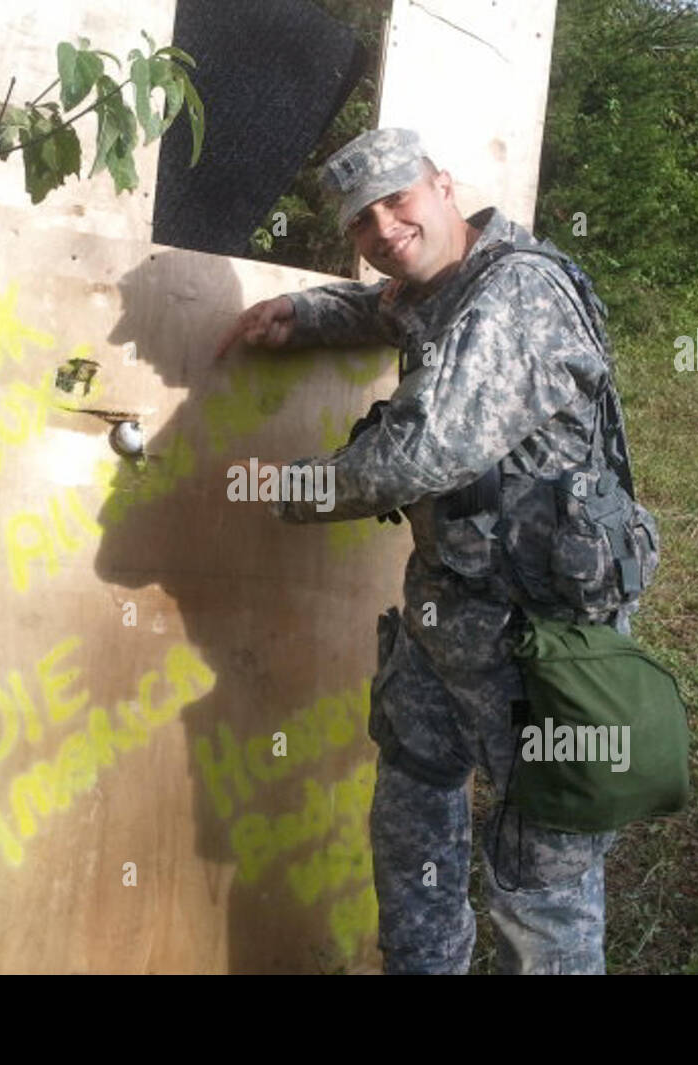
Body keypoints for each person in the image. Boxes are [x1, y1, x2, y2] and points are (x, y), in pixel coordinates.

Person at [214, 128, 655, 975]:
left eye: (398, 200)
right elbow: (387, 305)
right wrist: (306, 314)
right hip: (442, 622)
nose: (384, 228)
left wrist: (279, 486)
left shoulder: (517, 293)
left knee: (541, 887)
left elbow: (419, 455)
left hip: (546, 645)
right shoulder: (446, 281)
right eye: (362, 219)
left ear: (445, 187)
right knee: (412, 841)